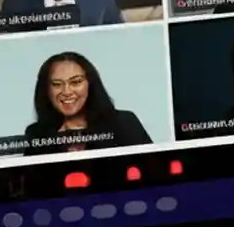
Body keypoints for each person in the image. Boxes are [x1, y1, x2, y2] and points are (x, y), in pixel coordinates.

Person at [23, 52, 151, 156]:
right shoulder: (36, 133)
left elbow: (155, 168)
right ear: (46, 89)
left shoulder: (124, 122)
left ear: (90, 84)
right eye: (57, 84)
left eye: (76, 82)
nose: (67, 92)